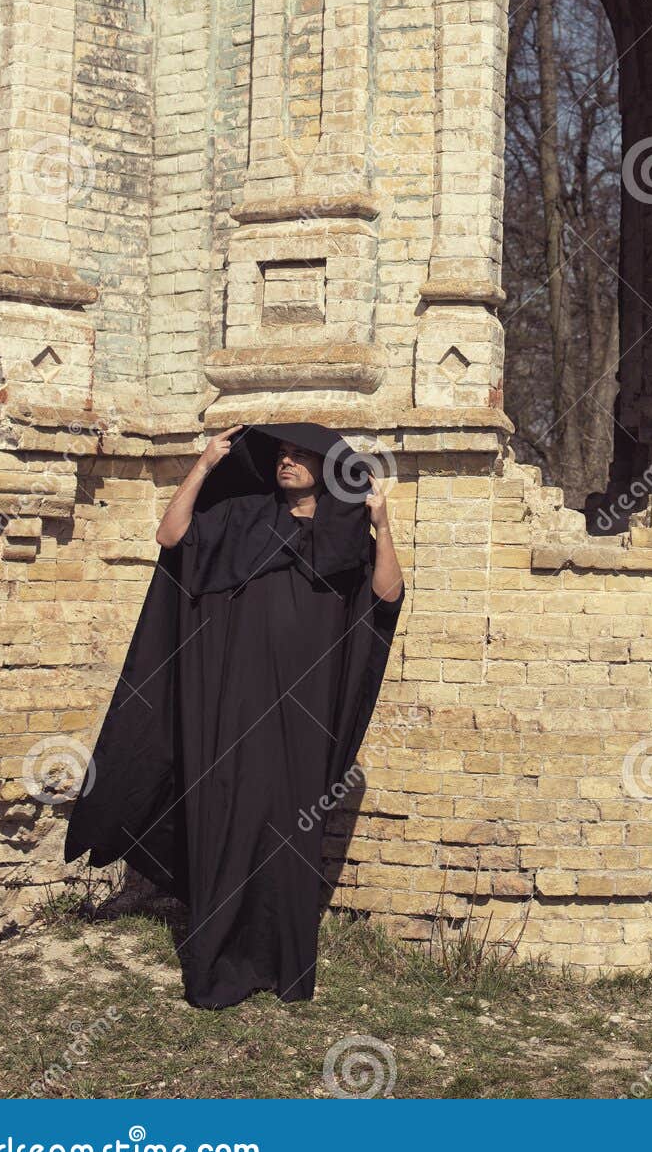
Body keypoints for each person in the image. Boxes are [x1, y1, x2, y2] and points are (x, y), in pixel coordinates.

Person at [64, 421, 406, 1010]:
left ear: (326, 470)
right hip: (234, 702)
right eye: (283, 455)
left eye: (302, 457)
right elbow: (170, 537)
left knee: (291, 828)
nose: (288, 463)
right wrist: (202, 465)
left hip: (307, 711)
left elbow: (388, 595)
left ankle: (285, 964)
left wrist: (382, 525)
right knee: (228, 815)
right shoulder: (244, 516)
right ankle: (219, 962)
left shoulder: (345, 534)